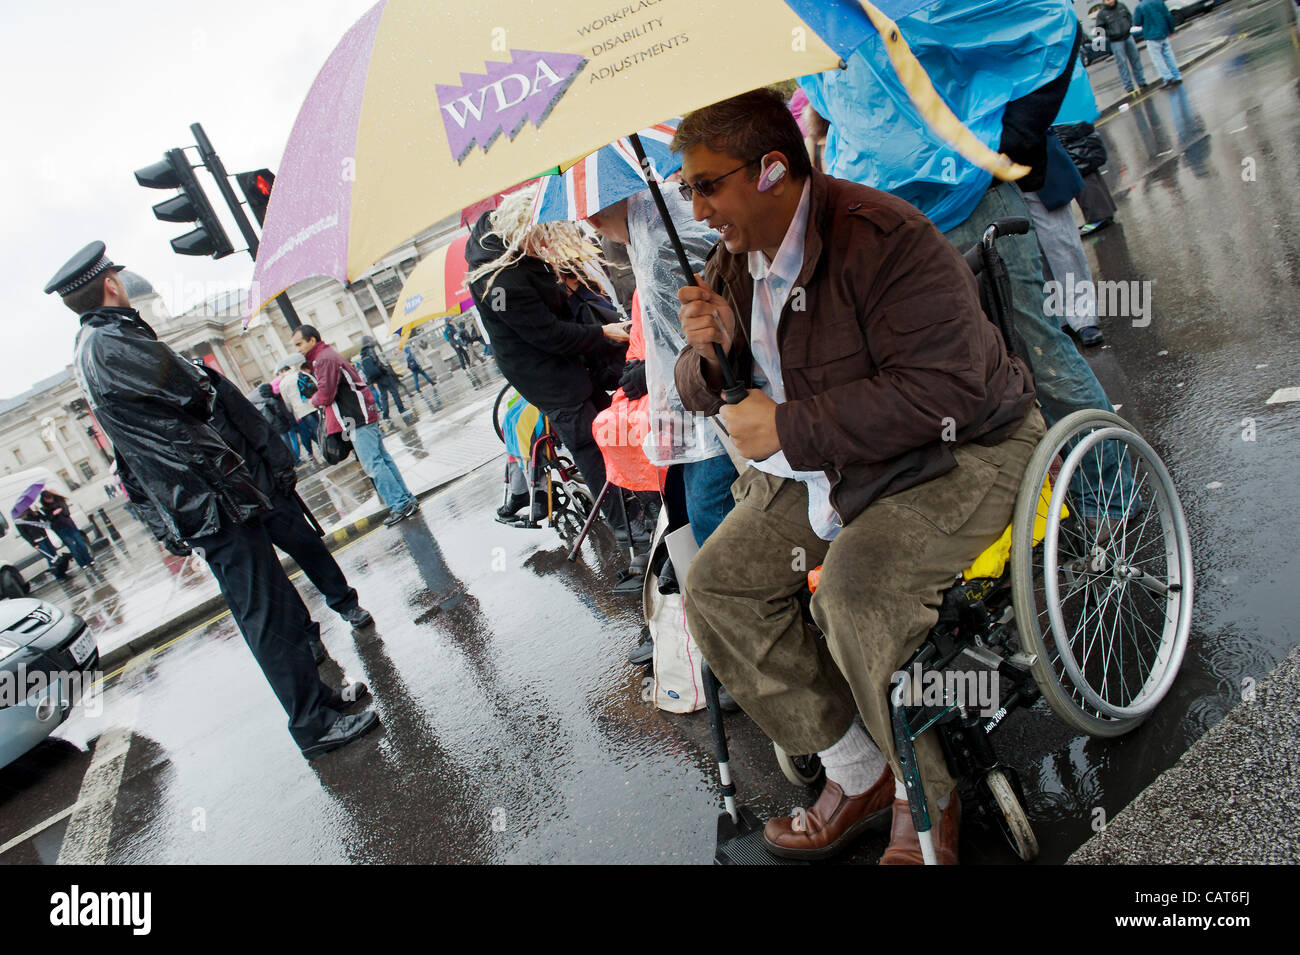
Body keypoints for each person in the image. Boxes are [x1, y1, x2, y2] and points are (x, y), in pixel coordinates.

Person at [671, 90, 1044, 864]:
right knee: (715, 587)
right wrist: (709, 354)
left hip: (960, 450)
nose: (698, 208)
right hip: (831, 468)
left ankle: (925, 793)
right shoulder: (733, 260)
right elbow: (702, 388)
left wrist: (787, 426)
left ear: (772, 170)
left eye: (708, 185)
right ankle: (859, 770)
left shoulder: (883, 236)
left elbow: (945, 392)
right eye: (686, 189)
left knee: (855, 592)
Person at [47, 241, 378, 759]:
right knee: (263, 613)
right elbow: (197, 393)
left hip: (208, 497)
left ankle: (318, 700)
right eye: (119, 278)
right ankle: (311, 724)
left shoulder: (93, 346)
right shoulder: (115, 340)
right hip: (208, 498)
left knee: (273, 601)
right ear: (111, 285)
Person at [799, 4, 1130, 520]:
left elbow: (1050, 21)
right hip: (890, 223)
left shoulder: (903, 8)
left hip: (973, 202)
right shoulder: (810, 22)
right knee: (959, 375)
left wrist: (1012, 139)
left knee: (1035, 350)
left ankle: (1109, 495)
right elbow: (838, 111)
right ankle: (1034, 509)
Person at [465, 186, 634, 537]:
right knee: (590, 445)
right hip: (548, 379)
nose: (545, 244)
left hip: (562, 364)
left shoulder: (509, 254)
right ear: (524, 230)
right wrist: (603, 333)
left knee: (610, 429)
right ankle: (626, 527)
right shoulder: (501, 281)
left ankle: (634, 499)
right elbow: (551, 335)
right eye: (541, 236)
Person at [197, 362, 377, 642]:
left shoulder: (203, 378)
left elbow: (252, 422)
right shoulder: (142, 406)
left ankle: (346, 603)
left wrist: (281, 466)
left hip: (262, 486)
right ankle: (305, 633)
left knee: (307, 548)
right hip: (226, 509)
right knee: (268, 578)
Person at [292, 324, 419, 526]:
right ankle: (405, 500)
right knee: (382, 460)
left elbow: (326, 394)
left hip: (355, 416)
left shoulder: (323, 359)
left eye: (299, 344)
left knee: (373, 464)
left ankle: (400, 504)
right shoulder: (326, 355)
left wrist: (313, 400)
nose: (298, 349)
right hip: (360, 413)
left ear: (312, 340)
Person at [1097, 0, 1148, 94]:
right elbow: (1099, 29)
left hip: (1128, 37)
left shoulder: (1121, 6)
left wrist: (1129, 26)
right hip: (1116, 41)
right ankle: (1129, 87)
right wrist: (1110, 34)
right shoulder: (1101, 14)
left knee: (1135, 59)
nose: (1110, 1)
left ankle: (1141, 82)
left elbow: (1129, 17)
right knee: (1122, 64)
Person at [38, 489, 93, 568]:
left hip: (70, 525)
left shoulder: (59, 502)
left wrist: (60, 510)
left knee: (80, 543)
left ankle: (89, 560)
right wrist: (54, 514)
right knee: (72, 547)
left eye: (51, 498)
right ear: (44, 499)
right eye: (48, 499)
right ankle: (82, 564)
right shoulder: (44, 509)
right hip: (59, 529)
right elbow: (48, 519)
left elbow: (67, 513)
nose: (50, 500)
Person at [1133, 0, 1182, 87]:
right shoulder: (1159, 2)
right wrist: (1171, 30)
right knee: (1169, 56)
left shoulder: (1140, 7)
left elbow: (1137, 22)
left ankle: (1168, 78)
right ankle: (1177, 76)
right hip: (1164, 33)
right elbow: (1168, 16)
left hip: (1151, 36)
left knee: (1158, 59)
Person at [358, 336, 408, 422]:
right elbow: (376, 362)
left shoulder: (363, 354)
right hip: (383, 375)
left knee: (384, 396)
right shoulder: (370, 350)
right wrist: (385, 369)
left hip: (377, 378)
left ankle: (385, 415)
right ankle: (401, 409)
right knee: (394, 392)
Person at [15, 508, 70, 580]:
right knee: (50, 558)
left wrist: (39, 511)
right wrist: (33, 544)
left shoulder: (32, 515)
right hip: (38, 541)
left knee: (54, 555)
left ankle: (62, 573)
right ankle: (58, 576)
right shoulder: (19, 522)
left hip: (44, 537)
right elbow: (24, 534)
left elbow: (43, 518)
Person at [251, 382, 299, 460]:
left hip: (274, 425)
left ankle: (293, 459)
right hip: (280, 424)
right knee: (287, 441)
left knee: (284, 442)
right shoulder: (272, 400)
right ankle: (295, 459)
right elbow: (279, 413)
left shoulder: (261, 402)